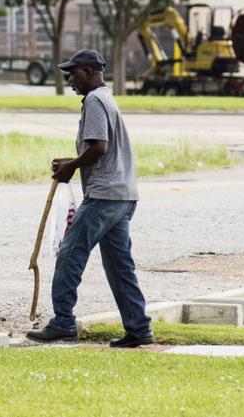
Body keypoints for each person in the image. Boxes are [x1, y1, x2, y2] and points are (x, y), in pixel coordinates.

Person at [27, 49, 154, 348]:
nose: (70, 80)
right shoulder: (106, 99)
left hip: (105, 196)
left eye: (72, 73)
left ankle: (63, 322)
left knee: (70, 253)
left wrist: (71, 166)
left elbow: (99, 147)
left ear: (88, 71)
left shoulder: (95, 101)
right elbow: (99, 150)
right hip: (123, 196)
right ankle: (138, 328)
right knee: (119, 265)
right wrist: (71, 161)